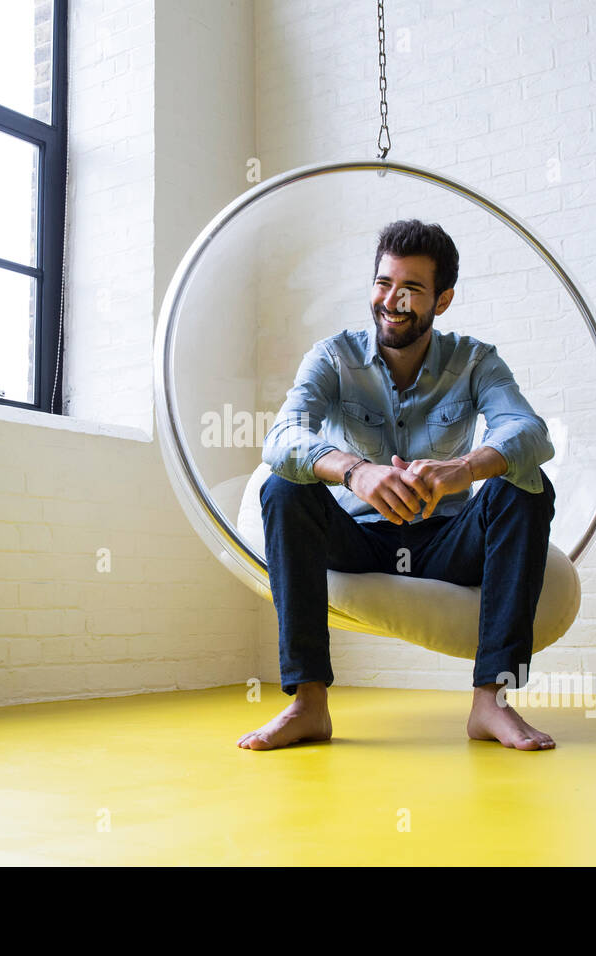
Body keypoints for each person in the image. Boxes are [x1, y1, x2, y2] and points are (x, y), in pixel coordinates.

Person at [239, 219, 558, 752]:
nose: (393, 300)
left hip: (444, 543)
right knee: (283, 489)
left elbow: (529, 432)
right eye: (384, 283)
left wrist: (465, 468)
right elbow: (281, 437)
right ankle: (308, 704)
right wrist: (354, 470)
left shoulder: (476, 359)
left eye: (411, 289)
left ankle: (490, 703)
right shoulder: (333, 356)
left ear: (443, 299)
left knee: (528, 487)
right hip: (356, 539)